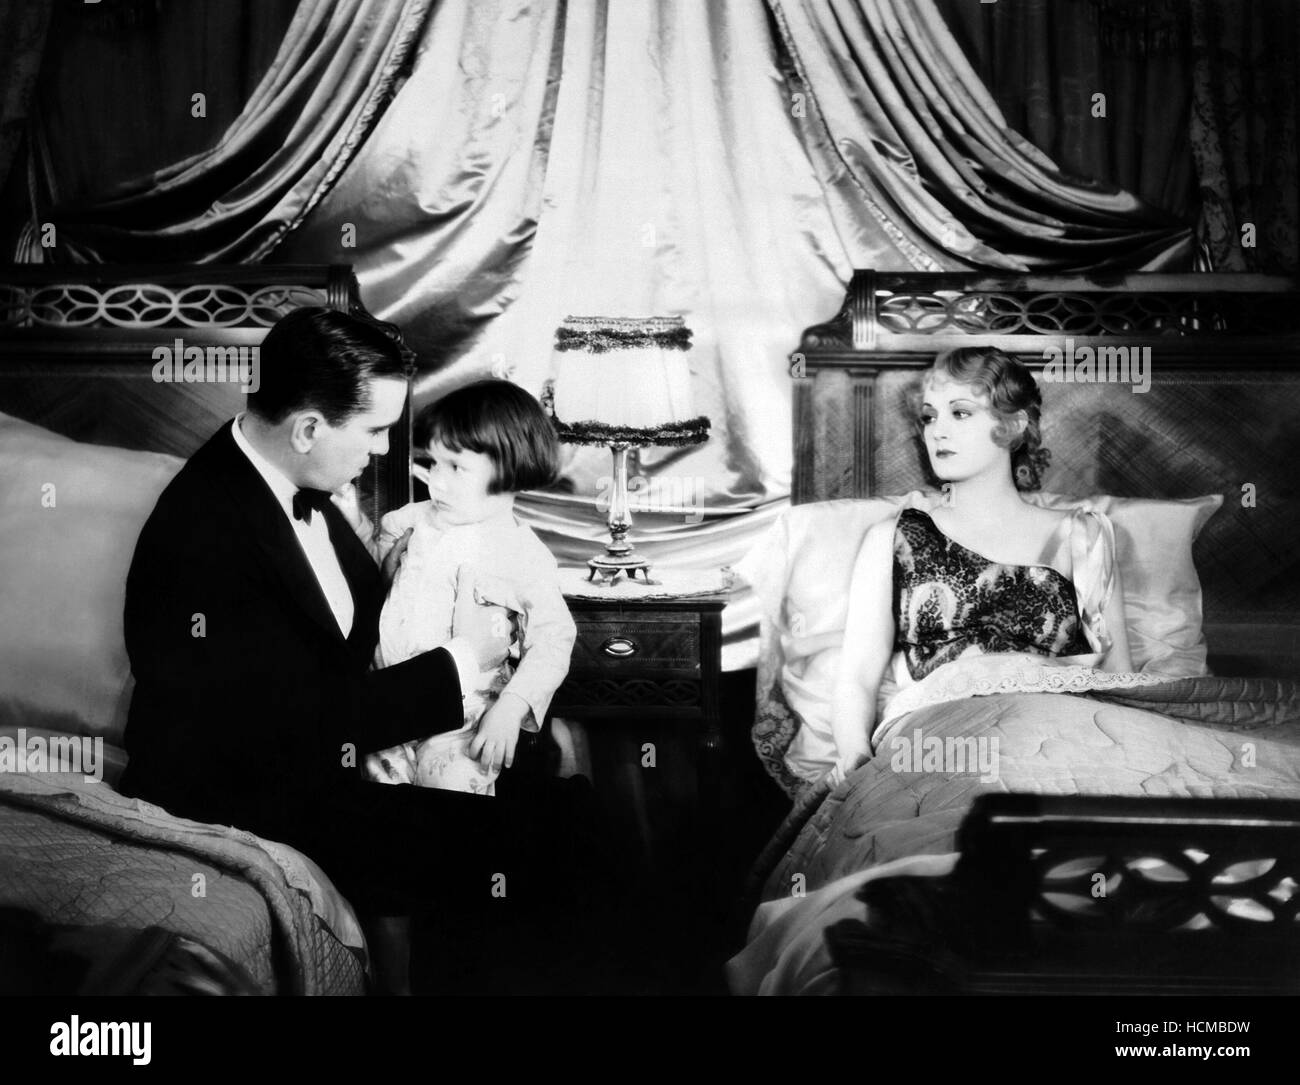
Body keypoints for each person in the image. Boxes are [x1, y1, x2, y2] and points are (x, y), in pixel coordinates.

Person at [118, 307, 593, 994]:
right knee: (552, 848)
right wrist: (465, 661)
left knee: (566, 811)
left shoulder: (302, 485)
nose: (382, 452)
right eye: (374, 431)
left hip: (341, 760)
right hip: (257, 797)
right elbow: (291, 726)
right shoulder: (205, 533)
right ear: (308, 428)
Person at [830, 346, 1133, 778]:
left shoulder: (1082, 536)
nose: (937, 432)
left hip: (1065, 734)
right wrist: (853, 755)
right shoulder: (890, 539)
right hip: (937, 740)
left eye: (961, 413)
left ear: (1013, 426)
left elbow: (1120, 677)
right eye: (930, 417)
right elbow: (856, 678)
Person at [365, 381, 576, 795]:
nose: (436, 482)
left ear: (509, 468)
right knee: (378, 819)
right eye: (433, 464)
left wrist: (511, 709)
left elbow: (554, 639)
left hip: (462, 722)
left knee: (454, 819)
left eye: (456, 468)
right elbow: (379, 543)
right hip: (388, 706)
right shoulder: (414, 519)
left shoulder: (522, 553)